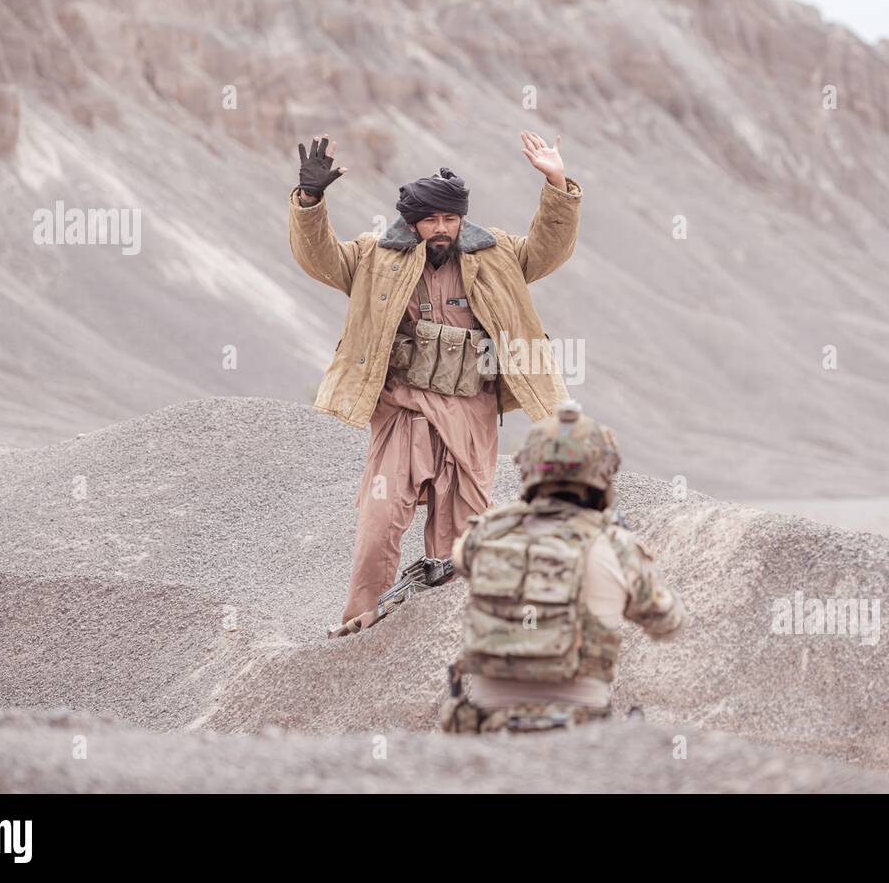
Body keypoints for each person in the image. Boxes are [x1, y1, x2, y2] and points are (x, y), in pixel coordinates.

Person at [287, 132, 583, 637]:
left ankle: (450, 635)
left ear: (460, 218)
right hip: (403, 409)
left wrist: (557, 182)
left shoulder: (497, 255)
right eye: (430, 220)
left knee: (461, 529)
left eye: (449, 219)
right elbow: (321, 260)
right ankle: (362, 621)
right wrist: (310, 203)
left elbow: (549, 248)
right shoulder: (375, 256)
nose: (440, 229)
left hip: (471, 409)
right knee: (381, 519)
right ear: (412, 221)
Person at [440, 399, 685, 734]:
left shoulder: (484, 535)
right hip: (578, 735)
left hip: (486, 732)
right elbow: (667, 623)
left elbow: (461, 559)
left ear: (528, 468)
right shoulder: (615, 546)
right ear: (605, 473)